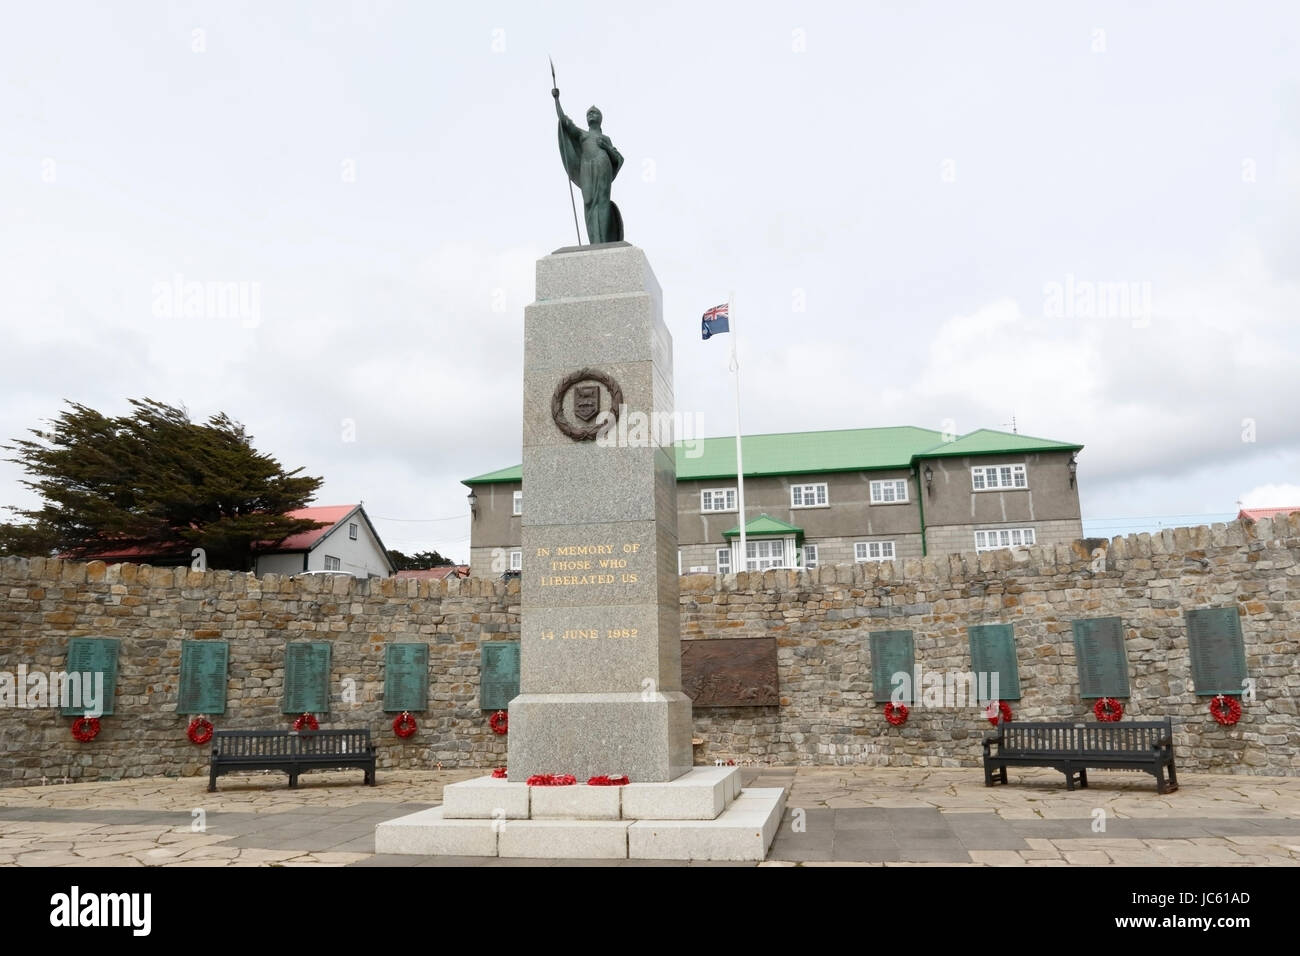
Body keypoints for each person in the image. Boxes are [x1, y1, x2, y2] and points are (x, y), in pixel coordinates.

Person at [554, 88, 624, 243]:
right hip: (587, 169)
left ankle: (603, 240)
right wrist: (557, 100)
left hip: (603, 167)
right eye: (589, 114)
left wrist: (606, 148)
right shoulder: (582, 135)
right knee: (589, 202)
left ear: (600, 118)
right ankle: (594, 240)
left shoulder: (605, 138)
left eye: (594, 113)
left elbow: (619, 158)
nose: (591, 115)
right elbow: (565, 122)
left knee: (603, 201)